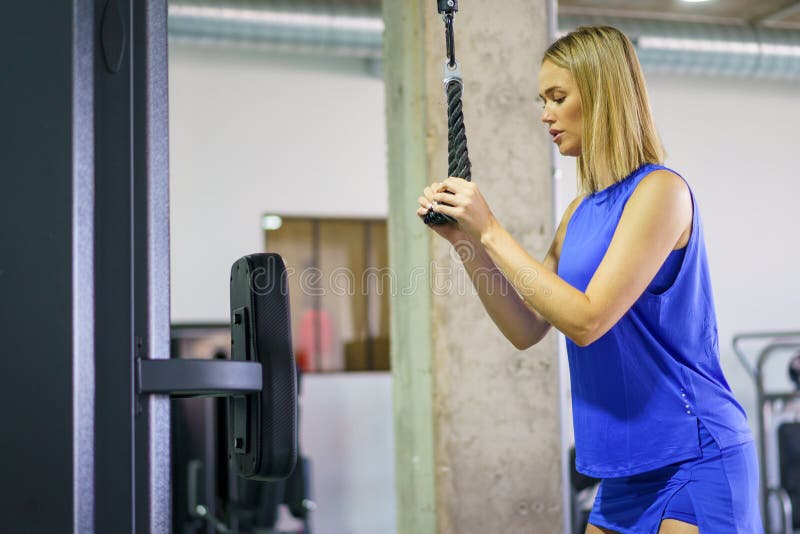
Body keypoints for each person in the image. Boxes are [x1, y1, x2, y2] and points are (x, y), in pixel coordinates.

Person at [417, 25, 761, 534]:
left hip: (694, 456)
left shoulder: (661, 192)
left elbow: (588, 319)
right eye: (542, 99)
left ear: (602, 97)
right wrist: (467, 242)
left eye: (558, 97)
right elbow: (527, 327)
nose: (545, 114)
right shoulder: (579, 212)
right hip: (622, 471)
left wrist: (490, 229)